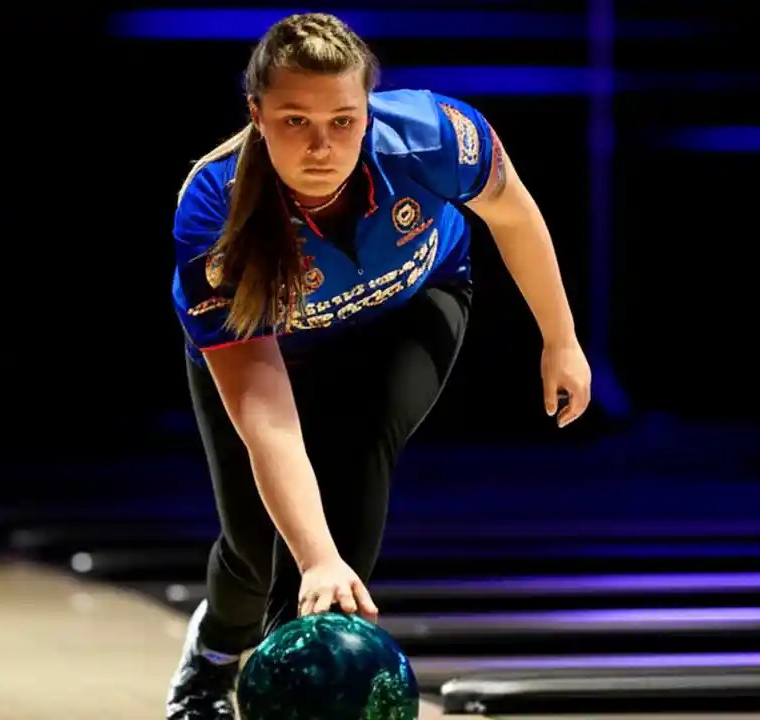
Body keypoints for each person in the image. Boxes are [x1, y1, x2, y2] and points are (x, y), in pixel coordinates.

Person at [164, 13, 591, 718]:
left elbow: (513, 216)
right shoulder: (215, 215)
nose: (321, 145)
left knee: (358, 447)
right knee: (255, 546)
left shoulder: (434, 135)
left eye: (343, 120)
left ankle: (303, 677)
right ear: (257, 116)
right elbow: (266, 413)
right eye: (295, 121)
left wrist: (561, 338)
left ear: (370, 111)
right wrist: (313, 555)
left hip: (412, 308)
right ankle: (211, 658)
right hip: (273, 352)